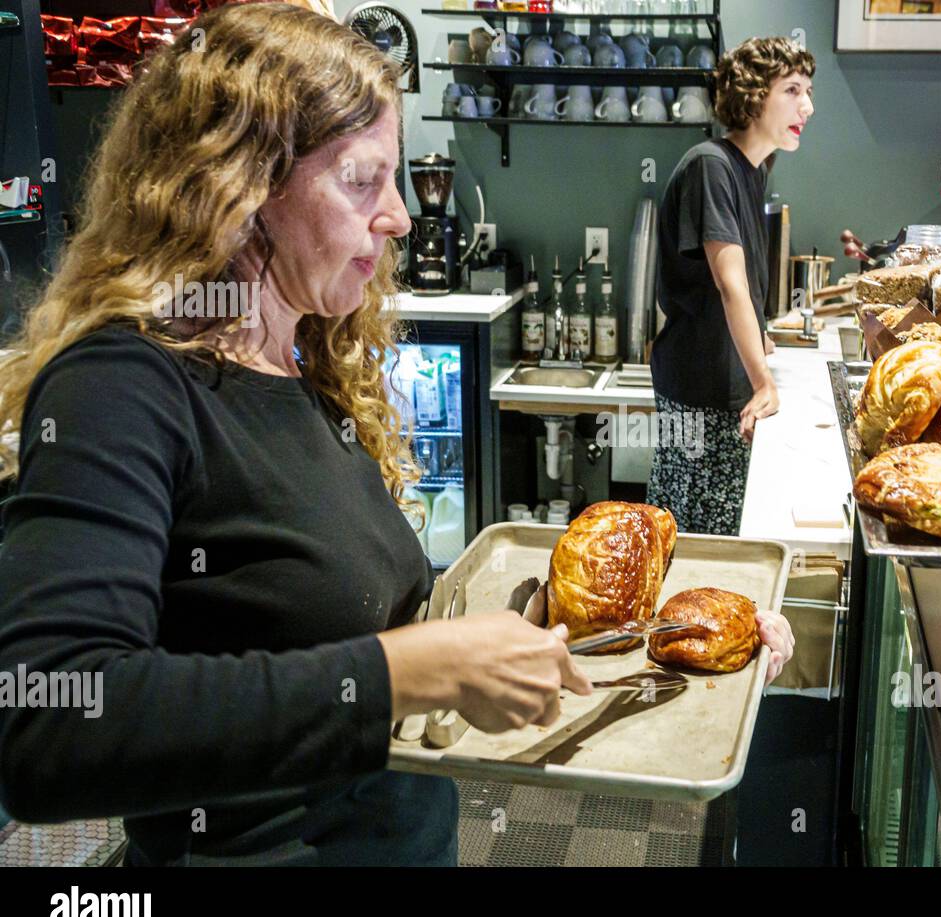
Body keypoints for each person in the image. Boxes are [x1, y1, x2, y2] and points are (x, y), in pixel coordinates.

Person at [0, 5, 793, 866]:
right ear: (238, 187)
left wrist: (643, 634)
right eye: (362, 181)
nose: (401, 217)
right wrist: (403, 672)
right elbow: (45, 725)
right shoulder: (121, 387)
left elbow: (356, 623)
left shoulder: (302, 366)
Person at [647, 37, 815, 537]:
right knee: (693, 543)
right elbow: (730, 285)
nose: (807, 105)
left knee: (721, 539)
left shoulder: (753, 169)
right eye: (792, 90)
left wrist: (757, 343)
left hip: (719, 388)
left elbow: (729, 287)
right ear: (753, 94)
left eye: (807, 91)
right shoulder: (711, 165)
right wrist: (763, 382)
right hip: (698, 393)